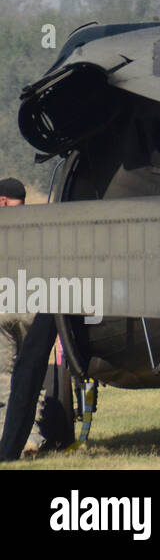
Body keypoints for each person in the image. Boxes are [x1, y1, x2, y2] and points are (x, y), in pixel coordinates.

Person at [0, 177, 45, 456]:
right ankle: (32, 437)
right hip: (33, 309)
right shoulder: (37, 227)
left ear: (2, 201)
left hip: (2, 311)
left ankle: (6, 436)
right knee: (32, 373)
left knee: (4, 375)